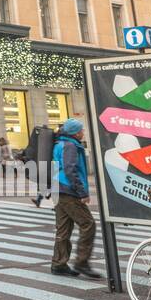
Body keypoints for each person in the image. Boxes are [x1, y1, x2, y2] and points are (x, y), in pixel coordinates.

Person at [50, 119, 102, 279]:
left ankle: (59, 264)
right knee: (88, 224)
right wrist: (82, 192)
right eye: (81, 130)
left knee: (63, 229)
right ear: (75, 132)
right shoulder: (70, 146)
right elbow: (70, 170)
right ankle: (82, 262)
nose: (83, 132)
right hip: (68, 191)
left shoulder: (60, 144)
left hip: (57, 189)